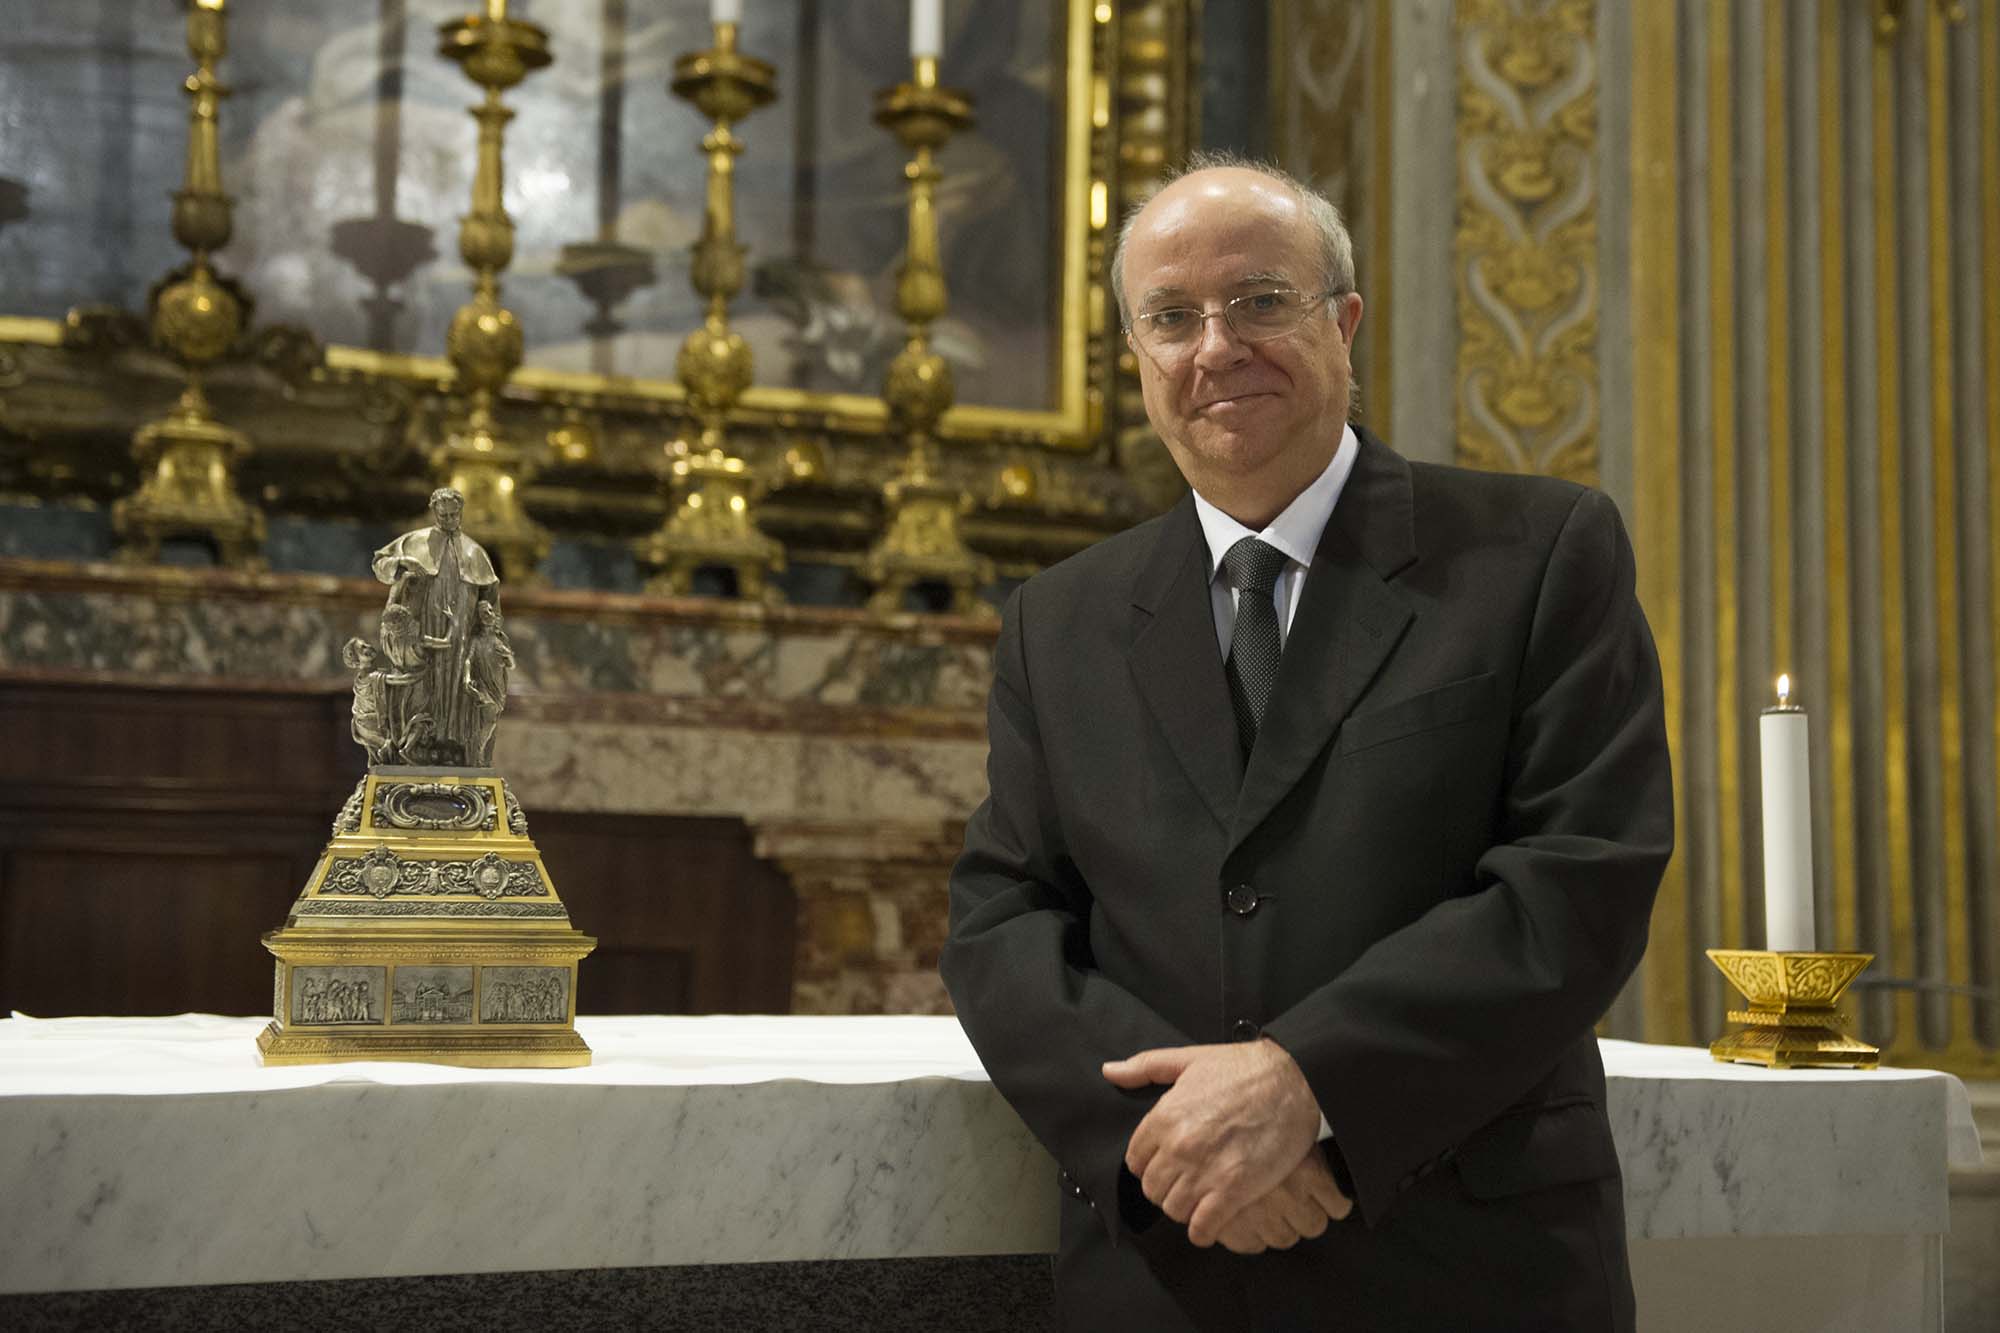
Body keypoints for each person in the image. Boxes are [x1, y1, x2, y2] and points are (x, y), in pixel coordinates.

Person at [939, 155, 1672, 1331]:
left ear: (1344, 322)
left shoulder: (1537, 553)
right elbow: (1001, 919)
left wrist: (1307, 1084)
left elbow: (1578, 874)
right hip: (1164, 1264)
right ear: (1137, 361)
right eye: (1171, 318)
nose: (1215, 345)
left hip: (1463, 1257)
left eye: (1259, 301)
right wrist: (1170, 1138)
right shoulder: (1058, 617)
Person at [371, 487, 499, 767]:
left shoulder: (473, 551)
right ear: (435, 512)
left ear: (461, 513)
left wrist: (487, 626)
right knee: (427, 680)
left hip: (461, 626)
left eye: (454, 515)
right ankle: (423, 742)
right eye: (444, 515)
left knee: (455, 681)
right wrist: (402, 562)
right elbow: (380, 564)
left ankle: (453, 743)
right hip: (425, 619)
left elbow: (489, 593)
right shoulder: (416, 541)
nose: (450, 520)